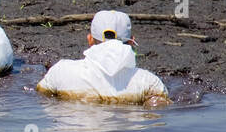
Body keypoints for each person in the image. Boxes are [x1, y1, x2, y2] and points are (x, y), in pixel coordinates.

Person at [37, 10, 168, 105]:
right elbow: (157, 110)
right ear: (131, 42)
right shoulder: (148, 82)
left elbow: (42, 97)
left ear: (90, 39)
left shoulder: (61, 71)